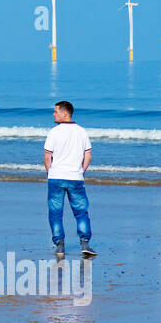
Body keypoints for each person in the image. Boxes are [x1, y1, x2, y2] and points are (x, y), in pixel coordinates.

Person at [43, 100, 96, 259]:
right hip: (75, 178)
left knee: (55, 213)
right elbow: (88, 156)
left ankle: (60, 246)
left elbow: (47, 156)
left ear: (64, 113)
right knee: (80, 212)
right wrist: (81, 171)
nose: (53, 114)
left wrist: (50, 172)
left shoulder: (54, 132)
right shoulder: (82, 132)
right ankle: (85, 243)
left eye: (55, 111)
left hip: (56, 178)